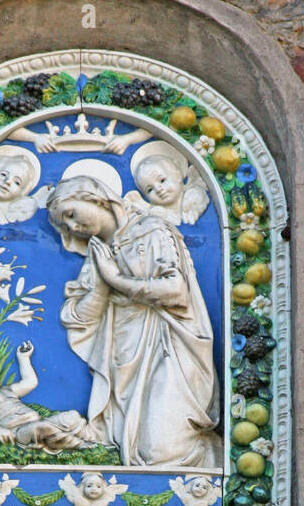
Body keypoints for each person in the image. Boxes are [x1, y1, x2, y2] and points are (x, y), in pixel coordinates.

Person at [47, 164, 222, 471]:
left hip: (170, 349)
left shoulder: (152, 229)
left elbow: (176, 291)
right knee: (135, 451)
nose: (72, 228)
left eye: (71, 214)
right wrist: (101, 285)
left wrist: (116, 281)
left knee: (160, 454)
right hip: (122, 359)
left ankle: (216, 463)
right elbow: (80, 318)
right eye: (64, 227)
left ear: (95, 197)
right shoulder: (97, 254)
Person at [0, 342, 100, 453]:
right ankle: (80, 446)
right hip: (19, 432)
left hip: (37, 422)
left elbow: (30, 382)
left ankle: (94, 440)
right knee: (43, 428)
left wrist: (24, 359)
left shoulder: (6, 390)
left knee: (72, 415)